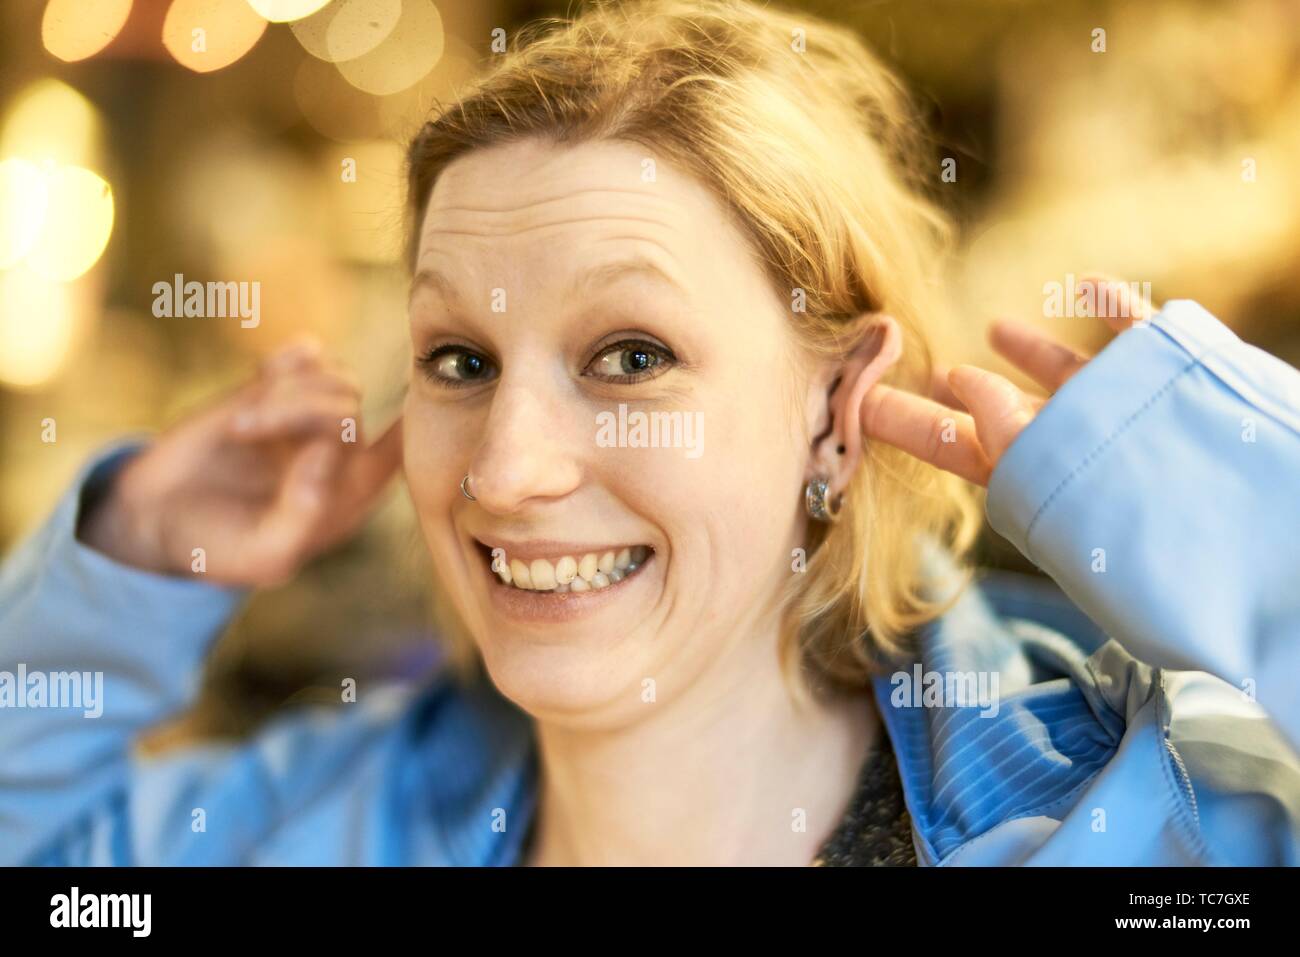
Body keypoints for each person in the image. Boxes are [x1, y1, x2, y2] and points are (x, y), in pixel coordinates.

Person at [2, 0, 1297, 866]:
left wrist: (1213, 505)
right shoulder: (330, 816)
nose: (506, 471)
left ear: (839, 411)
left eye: (632, 356)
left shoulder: (1146, 829)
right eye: (460, 359)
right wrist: (129, 559)